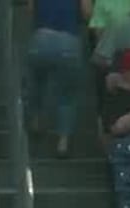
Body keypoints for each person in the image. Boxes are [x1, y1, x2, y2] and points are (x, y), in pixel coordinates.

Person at [26, 0, 86, 158]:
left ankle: (36, 119)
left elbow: (30, 9)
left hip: (41, 38)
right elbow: (87, 12)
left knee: (36, 81)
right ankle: (63, 142)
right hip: (69, 41)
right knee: (67, 96)